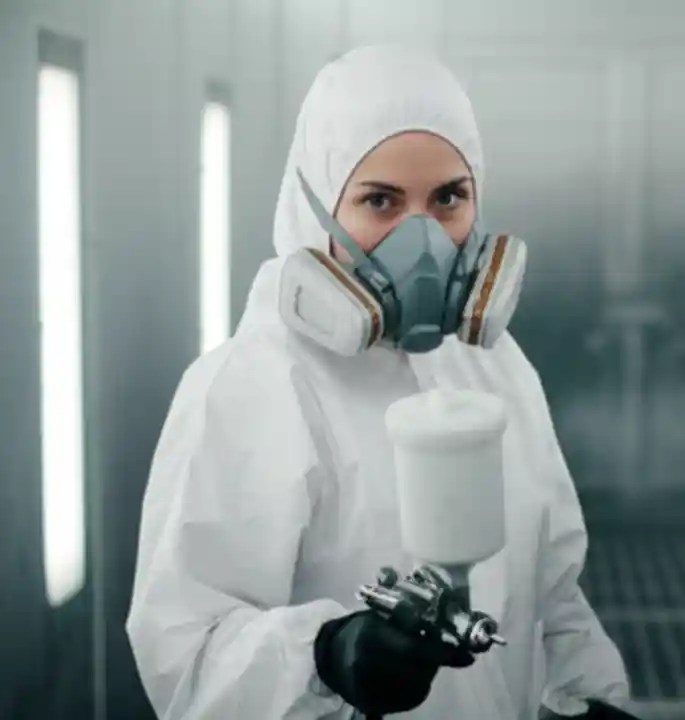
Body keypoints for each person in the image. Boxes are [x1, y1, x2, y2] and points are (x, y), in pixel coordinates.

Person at [125, 44, 634, 720]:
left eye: (448, 198)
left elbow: (551, 595)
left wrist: (586, 697)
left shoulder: (495, 367)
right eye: (381, 201)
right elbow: (184, 652)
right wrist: (326, 655)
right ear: (315, 207)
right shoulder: (248, 389)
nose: (422, 243)